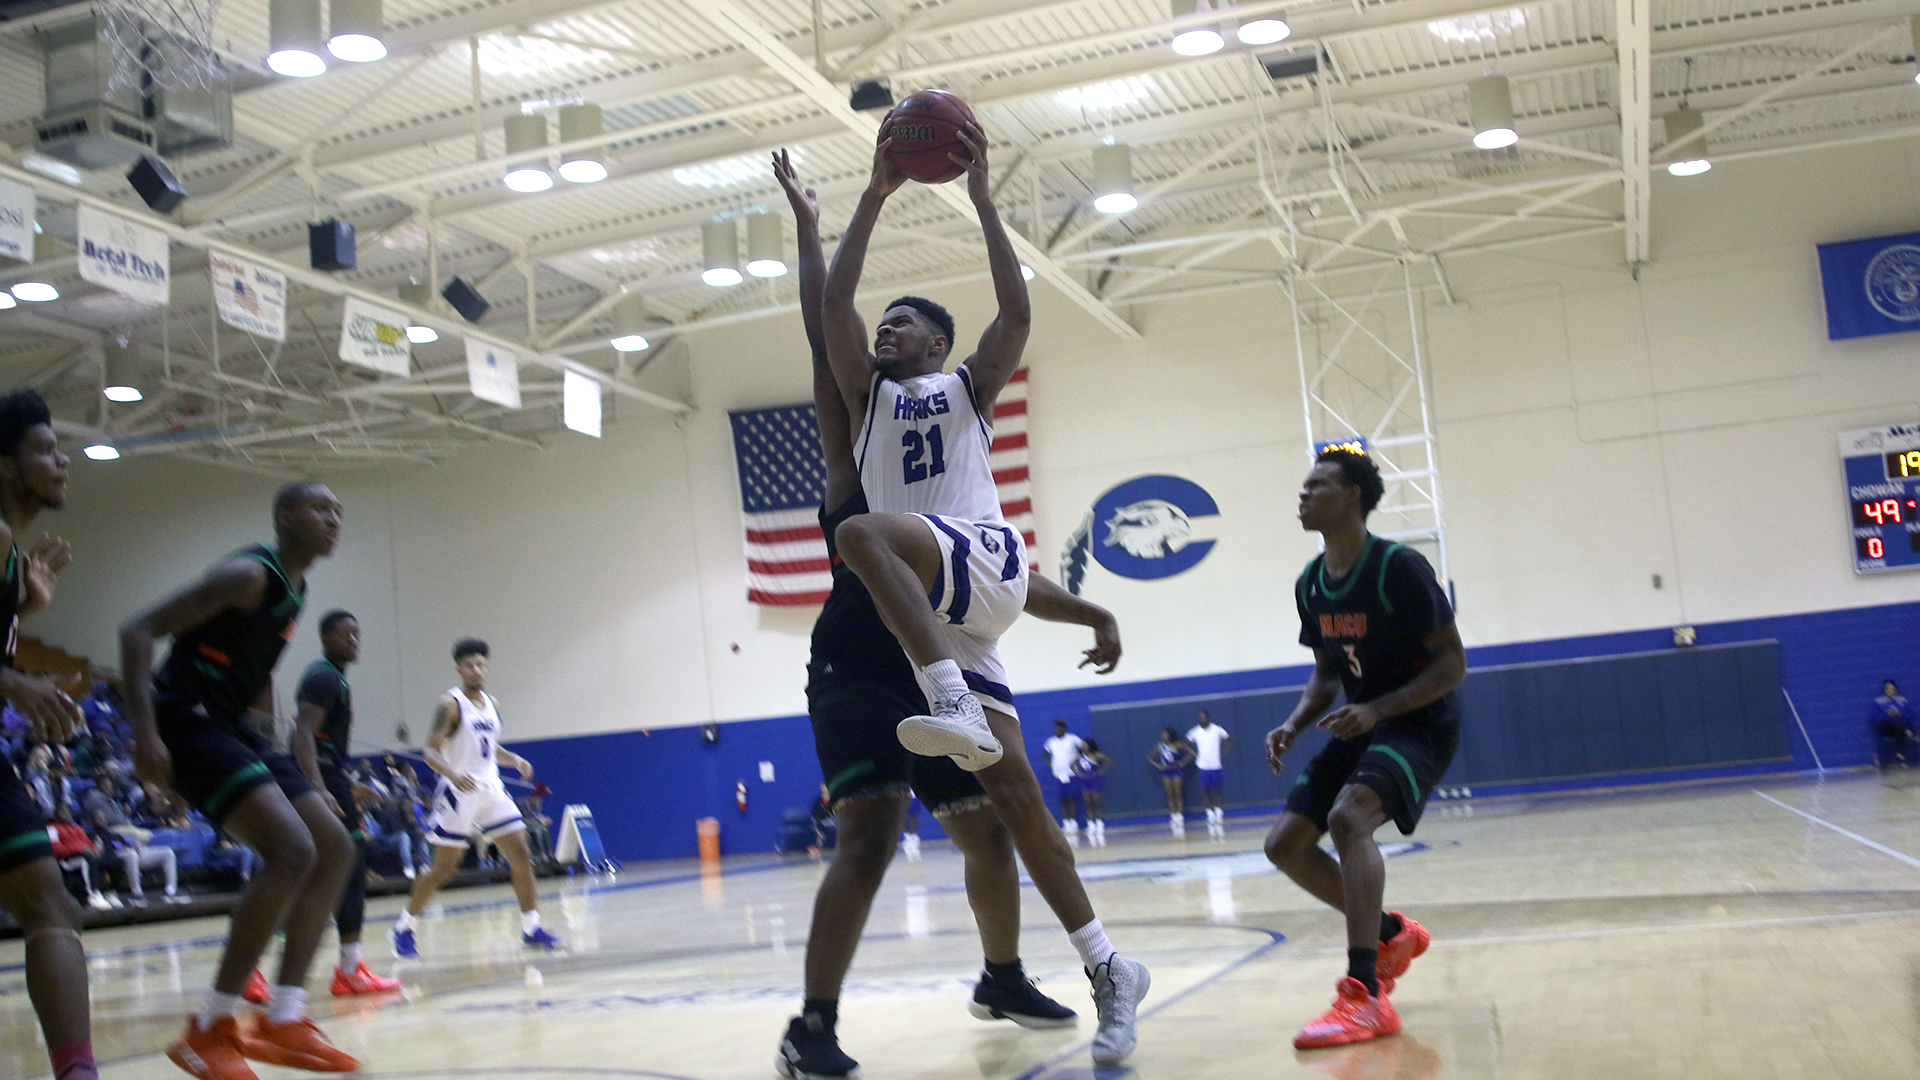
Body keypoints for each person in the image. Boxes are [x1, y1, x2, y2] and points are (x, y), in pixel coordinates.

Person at [772, 149, 1127, 1080]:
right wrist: (821, 225)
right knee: (871, 838)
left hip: (946, 637)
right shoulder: (855, 440)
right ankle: (812, 1026)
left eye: (903, 323)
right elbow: (826, 328)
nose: (882, 331)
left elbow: (1004, 579)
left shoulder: (957, 422)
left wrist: (1089, 610)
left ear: (935, 345)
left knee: (992, 828)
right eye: (876, 325)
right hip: (859, 662)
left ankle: (1003, 974)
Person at [122, 481, 359, 1079]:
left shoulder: (296, 588)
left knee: (335, 847)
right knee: (291, 850)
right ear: (285, 517)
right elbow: (138, 631)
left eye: (339, 511)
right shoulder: (248, 575)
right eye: (320, 508)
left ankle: (283, 1018)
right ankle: (210, 1026)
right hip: (184, 718)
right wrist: (144, 733)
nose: (333, 518)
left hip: (229, 724)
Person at [1263, 449, 1466, 1049]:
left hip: (1419, 723)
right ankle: (1390, 934)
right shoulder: (1311, 582)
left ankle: (1365, 994)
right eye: (1303, 485)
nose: (1303, 495)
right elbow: (1327, 676)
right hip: (1359, 722)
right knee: (1285, 846)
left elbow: (1453, 663)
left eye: (1318, 485)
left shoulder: (1399, 568)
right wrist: (1296, 722)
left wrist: (1378, 708)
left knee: (1350, 818)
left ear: (1352, 496)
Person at [0, 389, 97, 1080]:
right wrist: (13, 683)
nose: (61, 459)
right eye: (44, 449)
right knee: (46, 901)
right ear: (7, 467)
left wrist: (24, 606)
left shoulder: (9, 551)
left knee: (48, 898)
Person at [389, 639, 562, 957]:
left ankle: (531, 927)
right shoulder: (450, 704)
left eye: (481, 664)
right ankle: (403, 927)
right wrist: (452, 773)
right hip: (459, 791)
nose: (476, 670)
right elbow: (429, 749)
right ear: (459, 669)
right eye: (469, 665)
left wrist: (514, 759)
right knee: (443, 870)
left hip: (491, 789)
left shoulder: (492, 702)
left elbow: (488, 746)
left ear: (487, 667)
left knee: (521, 855)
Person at [290, 610, 401, 996]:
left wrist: (347, 784)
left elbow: (320, 744)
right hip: (319, 779)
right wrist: (320, 787)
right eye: (346, 634)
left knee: (322, 870)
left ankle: (349, 968)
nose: (354, 641)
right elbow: (302, 735)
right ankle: (349, 970)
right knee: (347, 864)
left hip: (330, 777)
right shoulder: (323, 677)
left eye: (358, 634)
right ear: (326, 638)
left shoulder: (335, 679)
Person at [49, 802, 113, 910]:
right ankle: (93, 895)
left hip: (84, 855)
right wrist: (79, 850)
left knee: (110, 859)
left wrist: (95, 849)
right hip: (67, 861)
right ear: (57, 814)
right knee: (88, 859)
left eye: (68, 811)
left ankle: (108, 892)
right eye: (63, 811)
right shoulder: (52, 828)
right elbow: (56, 849)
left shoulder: (76, 827)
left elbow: (88, 844)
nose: (67, 813)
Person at [1185, 712, 1234, 841]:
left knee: (1216, 790)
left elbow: (1230, 740)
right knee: (1205, 790)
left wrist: (1222, 753)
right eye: (1200, 718)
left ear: (1209, 718)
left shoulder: (1217, 729)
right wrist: (1193, 753)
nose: (1202, 719)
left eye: (1204, 717)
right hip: (1203, 765)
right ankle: (1209, 813)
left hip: (1215, 765)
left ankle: (1218, 812)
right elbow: (1185, 743)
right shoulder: (1195, 731)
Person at [1041, 720, 1087, 845]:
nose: (1058, 730)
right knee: (1063, 799)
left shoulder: (1072, 739)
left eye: (1060, 728)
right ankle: (1066, 823)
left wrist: (1078, 759)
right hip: (1059, 774)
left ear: (1064, 729)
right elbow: (1044, 754)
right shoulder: (1051, 742)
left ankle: (1073, 823)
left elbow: (1084, 748)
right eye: (1056, 728)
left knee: (1072, 798)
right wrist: (1051, 766)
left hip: (1072, 773)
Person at [1146, 727, 1194, 838]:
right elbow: (1149, 756)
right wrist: (1158, 765)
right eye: (1162, 735)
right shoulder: (1160, 746)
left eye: (1165, 734)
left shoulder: (1177, 745)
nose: (1163, 736)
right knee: (1170, 795)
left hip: (1176, 771)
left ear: (1170, 735)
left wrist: (1182, 762)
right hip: (1166, 772)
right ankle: (1173, 816)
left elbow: (1192, 753)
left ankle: (1180, 817)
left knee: (1178, 794)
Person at [1072, 740, 1112, 847]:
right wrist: (1079, 774)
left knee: (1096, 803)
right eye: (1083, 745)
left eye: (1085, 745)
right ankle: (1090, 825)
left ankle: (1099, 824)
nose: (1083, 747)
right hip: (1085, 782)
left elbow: (1109, 761)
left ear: (1090, 745)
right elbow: (1072, 765)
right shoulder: (1080, 757)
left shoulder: (1097, 755)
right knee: (1088, 804)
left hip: (1095, 780)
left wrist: (1100, 771)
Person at [1870, 680, 1917, 768]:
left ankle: (1900, 756)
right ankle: (1909, 733)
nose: (1892, 691)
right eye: (1890, 689)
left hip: (1900, 727)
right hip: (1886, 728)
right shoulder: (1879, 702)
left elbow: (1910, 714)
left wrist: (1900, 714)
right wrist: (1887, 714)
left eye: (1893, 689)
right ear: (1885, 690)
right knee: (1893, 723)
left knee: (1899, 730)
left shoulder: (1902, 700)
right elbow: (1875, 718)